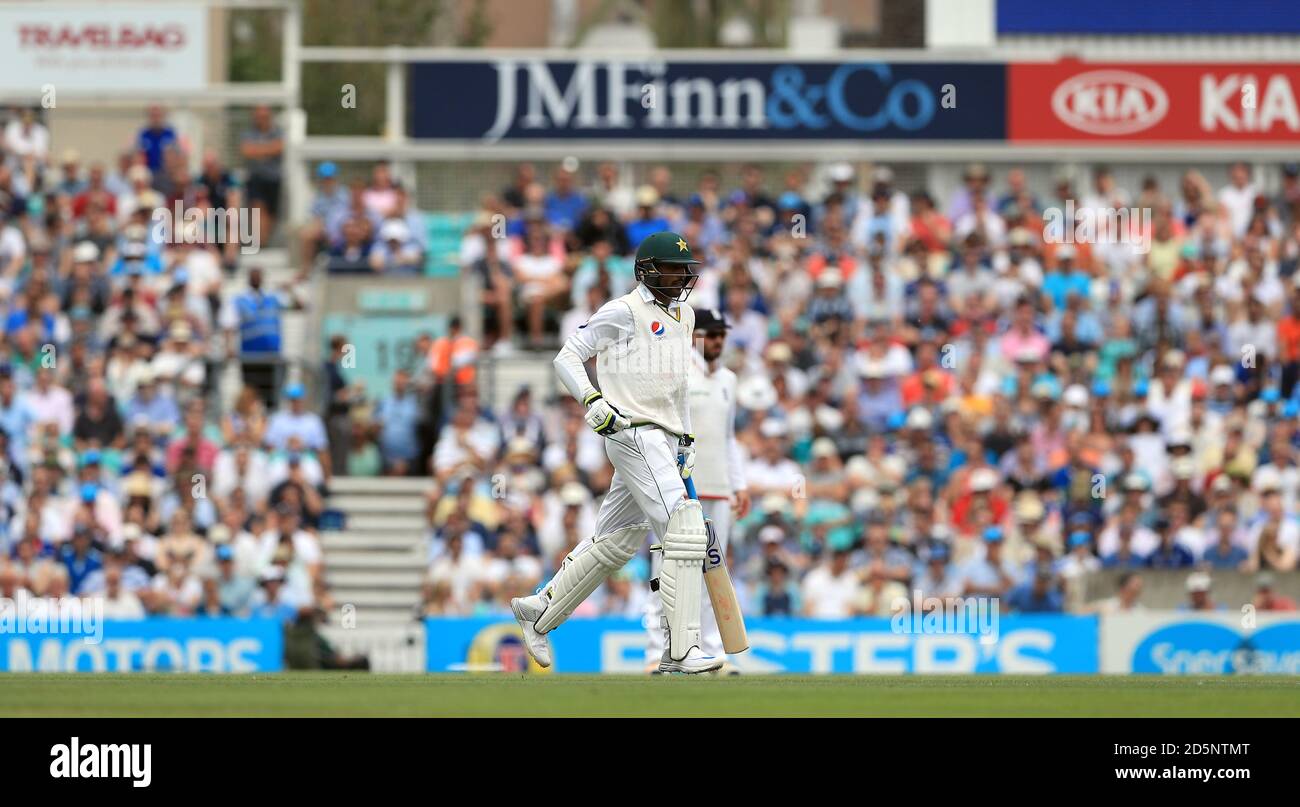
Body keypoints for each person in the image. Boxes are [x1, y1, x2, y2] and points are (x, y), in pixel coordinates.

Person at [510, 231, 720, 674]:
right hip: (632, 431)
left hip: (665, 436)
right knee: (681, 527)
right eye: (673, 268)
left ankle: (539, 613)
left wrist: (686, 438)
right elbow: (567, 357)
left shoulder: (683, 315)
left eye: (686, 269)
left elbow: (678, 382)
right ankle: (681, 649)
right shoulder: (623, 311)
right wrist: (592, 401)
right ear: (647, 271)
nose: (683, 276)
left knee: (617, 541)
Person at [643, 308, 749, 670]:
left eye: (722, 334)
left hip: (718, 490)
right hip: (680, 489)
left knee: (714, 571)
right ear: (694, 336)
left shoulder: (729, 381)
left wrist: (740, 484)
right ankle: (656, 650)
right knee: (669, 568)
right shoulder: (680, 373)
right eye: (710, 333)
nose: (718, 341)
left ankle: (712, 650)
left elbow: (729, 437)